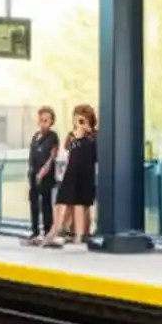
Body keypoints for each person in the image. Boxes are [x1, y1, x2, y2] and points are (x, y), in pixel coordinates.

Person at [41, 104, 98, 248]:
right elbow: (68, 152)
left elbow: (96, 155)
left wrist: (87, 131)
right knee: (61, 201)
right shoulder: (72, 136)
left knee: (80, 204)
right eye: (78, 119)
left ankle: (79, 235)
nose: (79, 123)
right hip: (71, 173)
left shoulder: (93, 136)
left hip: (85, 174)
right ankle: (55, 231)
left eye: (83, 120)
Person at [23, 106, 59, 245]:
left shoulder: (53, 137)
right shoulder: (35, 136)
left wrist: (43, 172)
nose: (43, 123)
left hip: (45, 176)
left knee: (45, 203)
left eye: (46, 120)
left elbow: (52, 156)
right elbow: (32, 155)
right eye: (41, 120)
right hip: (33, 174)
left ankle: (47, 231)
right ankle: (35, 231)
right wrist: (32, 172)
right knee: (33, 203)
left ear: (51, 122)